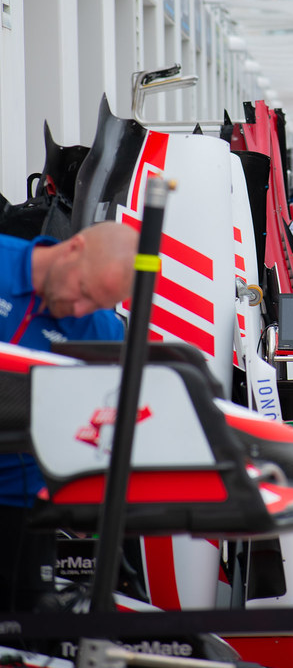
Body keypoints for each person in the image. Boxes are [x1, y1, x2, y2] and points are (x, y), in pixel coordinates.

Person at [0, 221, 138, 611]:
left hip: (22, 502)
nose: (79, 309)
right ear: (73, 248)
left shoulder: (102, 330)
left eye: (97, 303)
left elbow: (97, 423)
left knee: (26, 624)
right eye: (83, 291)